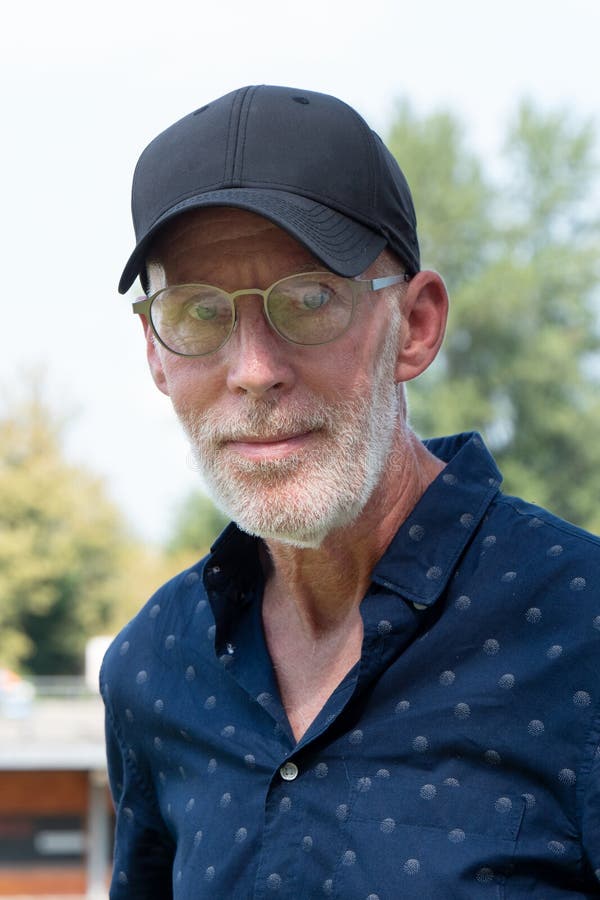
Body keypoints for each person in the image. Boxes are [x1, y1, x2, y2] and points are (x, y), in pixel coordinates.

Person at [101, 85, 600, 898]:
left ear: (416, 324)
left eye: (310, 300)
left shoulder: (582, 632)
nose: (254, 370)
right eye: (197, 313)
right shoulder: (153, 669)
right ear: (157, 356)